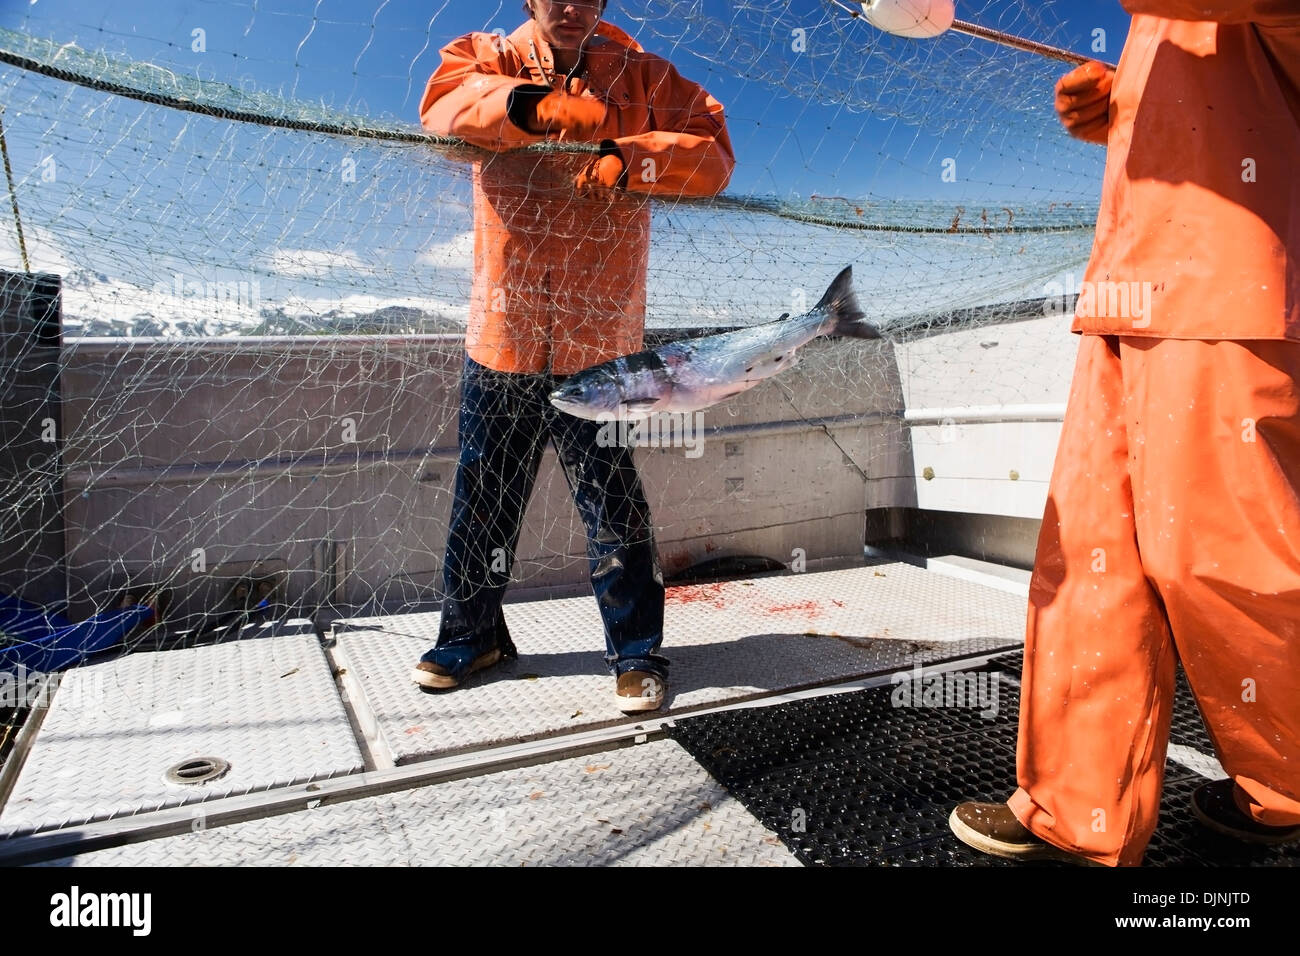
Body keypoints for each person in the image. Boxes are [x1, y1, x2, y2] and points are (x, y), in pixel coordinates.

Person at [950, 0, 1300, 866]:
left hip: (1227, 282)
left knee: (1225, 562)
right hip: (1126, 288)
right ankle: (1077, 807)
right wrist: (1127, 107)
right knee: (1089, 562)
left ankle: (1291, 786)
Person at [411, 0, 734, 713]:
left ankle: (637, 653)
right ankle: (470, 638)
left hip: (603, 345)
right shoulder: (484, 55)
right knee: (484, 498)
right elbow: (443, 106)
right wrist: (531, 107)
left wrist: (634, 160)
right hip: (504, 334)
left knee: (613, 504)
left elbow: (713, 157)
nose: (569, 6)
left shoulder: (651, 78)